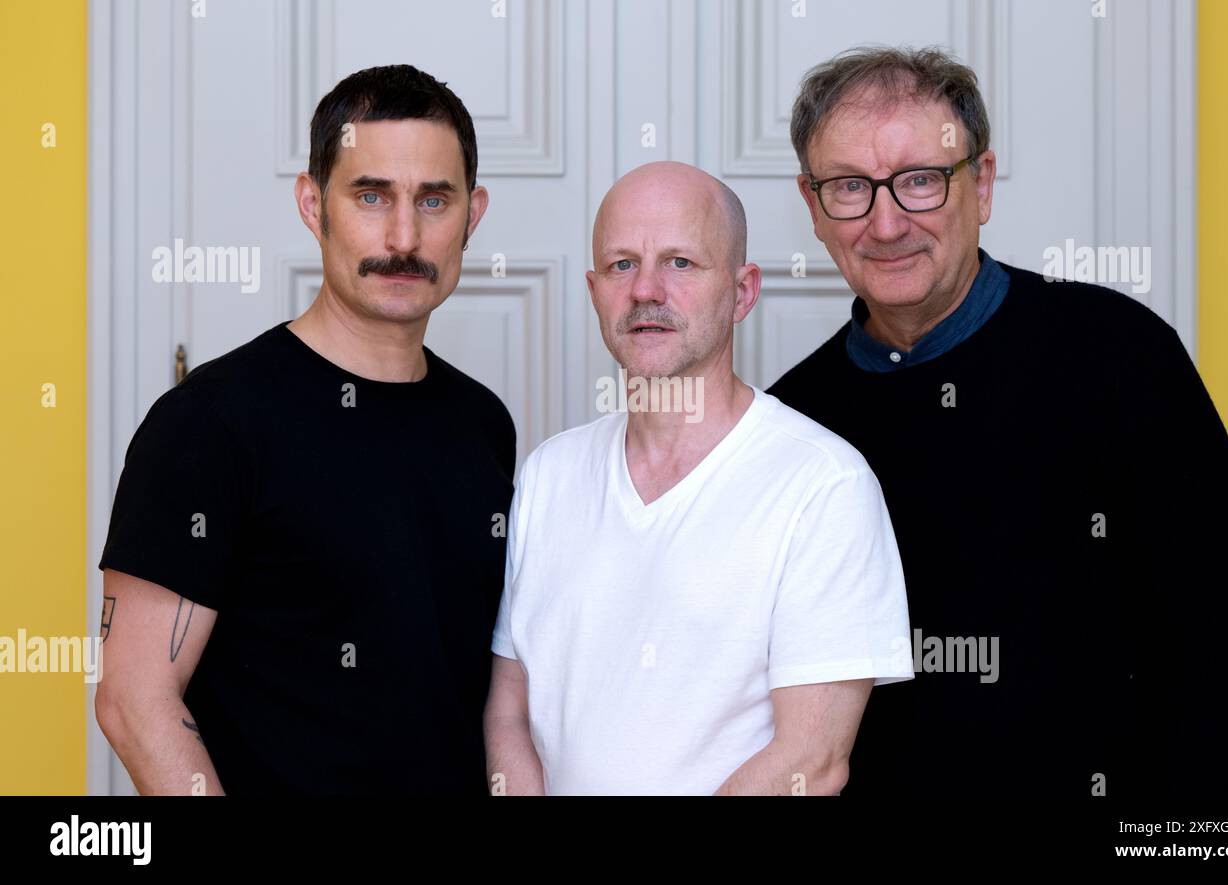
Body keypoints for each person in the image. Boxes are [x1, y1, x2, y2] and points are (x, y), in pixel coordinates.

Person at [769, 46, 1228, 796]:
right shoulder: (795, 422)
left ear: (980, 183)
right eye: (850, 187)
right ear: (813, 208)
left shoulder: (1123, 357)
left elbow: (1224, 647)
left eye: (920, 180)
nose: (886, 223)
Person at [95, 64, 514, 794]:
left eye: (434, 199)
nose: (404, 235)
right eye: (371, 194)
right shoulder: (209, 423)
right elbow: (133, 701)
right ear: (312, 202)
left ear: (472, 215)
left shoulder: (483, 423)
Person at [484, 161, 912, 795]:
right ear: (594, 289)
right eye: (622, 264)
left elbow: (810, 761)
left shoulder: (823, 485)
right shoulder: (551, 473)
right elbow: (509, 711)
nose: (646, 290)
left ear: (743, 292)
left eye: (681, 263)